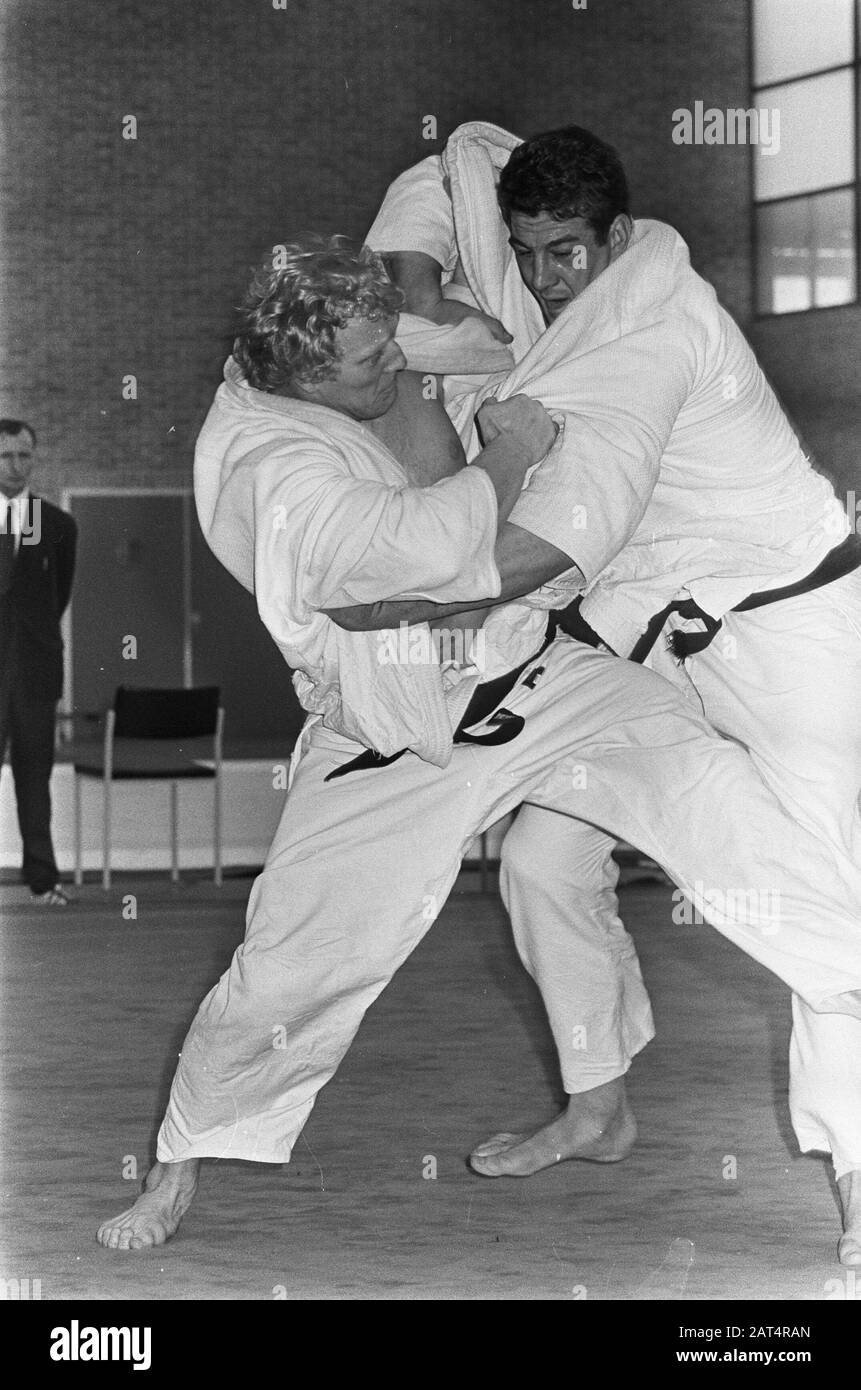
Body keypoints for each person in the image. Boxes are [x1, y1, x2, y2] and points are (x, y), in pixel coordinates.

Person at [96, 239, 861, 1255]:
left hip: (542, 681)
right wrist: (513, 449)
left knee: (715, 799)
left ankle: (830, 1000)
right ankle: (177, 1162)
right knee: (292, 965)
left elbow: (462, 297)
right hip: (399, 741)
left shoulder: (345, 346)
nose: (396, 371)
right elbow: (417, 560)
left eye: (389, 350)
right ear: (303, 378)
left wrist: (473, 322)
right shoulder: (267, 468)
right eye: (373, 368)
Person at [361, 121, 861, 1263]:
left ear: (616, 237)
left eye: (565, 255)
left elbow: (543, 549)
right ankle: (599, 1105)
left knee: (819, 910)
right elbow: (457, 161)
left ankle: (856, 1174)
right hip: (656, 649)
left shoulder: (651, 329)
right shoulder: (534, 242)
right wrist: (420, 290)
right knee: (542, 860)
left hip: (793, 642)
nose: (542, 278)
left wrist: (410, 606)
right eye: (527, 252)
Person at [0, 419, 77, 906]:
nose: (16, 466)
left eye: (25, 456)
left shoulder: (58, 525)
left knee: (35, 779)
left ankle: (43, 881)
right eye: (6, 456)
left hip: (33, 673)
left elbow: (57, 597)